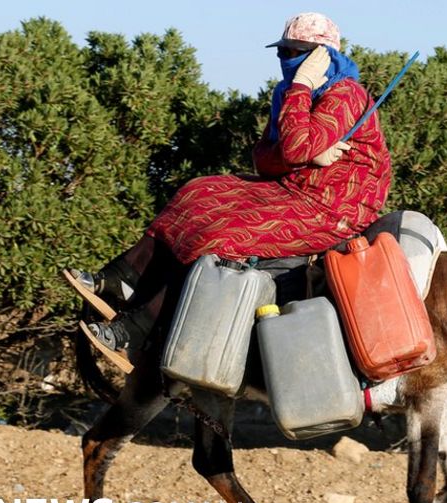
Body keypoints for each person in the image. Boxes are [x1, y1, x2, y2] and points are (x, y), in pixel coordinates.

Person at [64, 12, 393, 373]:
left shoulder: (343, 94)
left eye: (296, 51)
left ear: (321, 56)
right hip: (293, 188)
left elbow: (295, 147)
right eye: (283, 51)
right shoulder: (289, 92)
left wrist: (301, 98)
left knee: (219, 235)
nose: (287, 59)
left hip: (334, 209)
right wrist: (304, 151)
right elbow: (266, 158)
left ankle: (137, 330)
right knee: (198, 193)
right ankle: (121, 279)